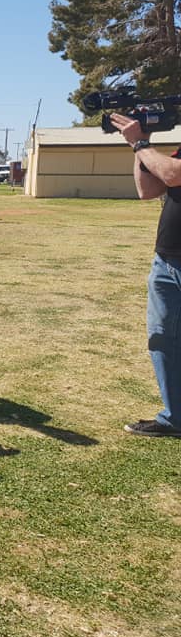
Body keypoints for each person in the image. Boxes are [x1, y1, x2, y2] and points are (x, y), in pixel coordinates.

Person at [109, 111, 181, 437]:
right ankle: (174, 419)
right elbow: (148, 189)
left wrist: (140, 142)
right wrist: (140, 147)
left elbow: (170, 172)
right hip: (166, 262)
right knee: (162, 339)